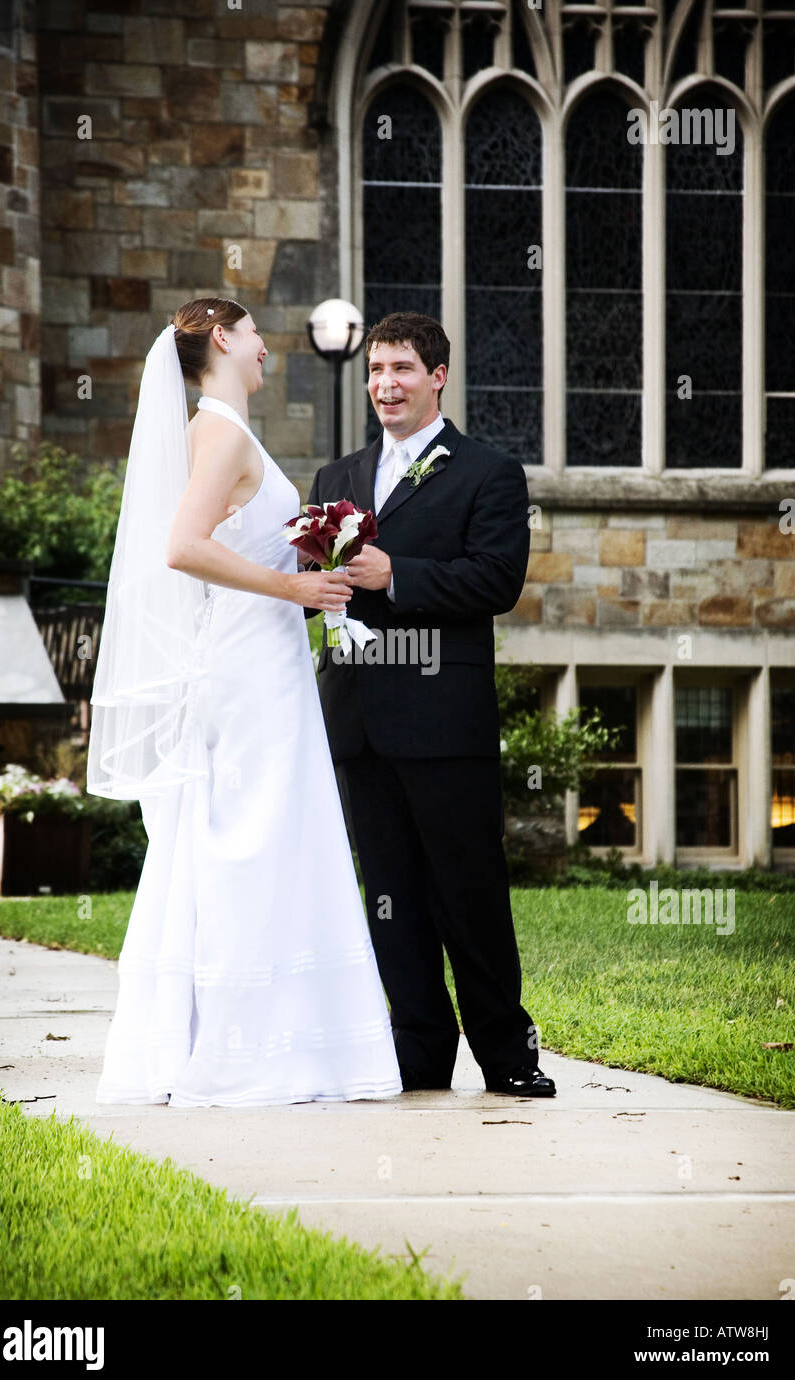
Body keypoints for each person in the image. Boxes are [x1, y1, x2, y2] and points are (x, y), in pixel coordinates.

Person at [86, 297, 402, 1107]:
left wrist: (307, 565)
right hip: (249, 665)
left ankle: (249, 1037)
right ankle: (247, 1048)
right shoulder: (220, 429)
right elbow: (184, 547)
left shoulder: (219, 426)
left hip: (261, 657)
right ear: (224, 338)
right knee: (257, 838)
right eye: (256, 333)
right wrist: (292, 582)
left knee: (260, 834)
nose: (267, 347)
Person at [306, 311, 556, 1098]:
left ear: (437, 376)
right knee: (390, 899)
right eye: (378, 370)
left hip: (445, 726)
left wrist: (397, 575)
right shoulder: (335, 479)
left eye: (402, 369)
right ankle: (418, 1051)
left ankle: (507, 1055)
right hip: (359, 726)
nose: (386, 384)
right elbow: (321, 597)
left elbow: (496, 581)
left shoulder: (488, 472)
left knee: (468, 894)